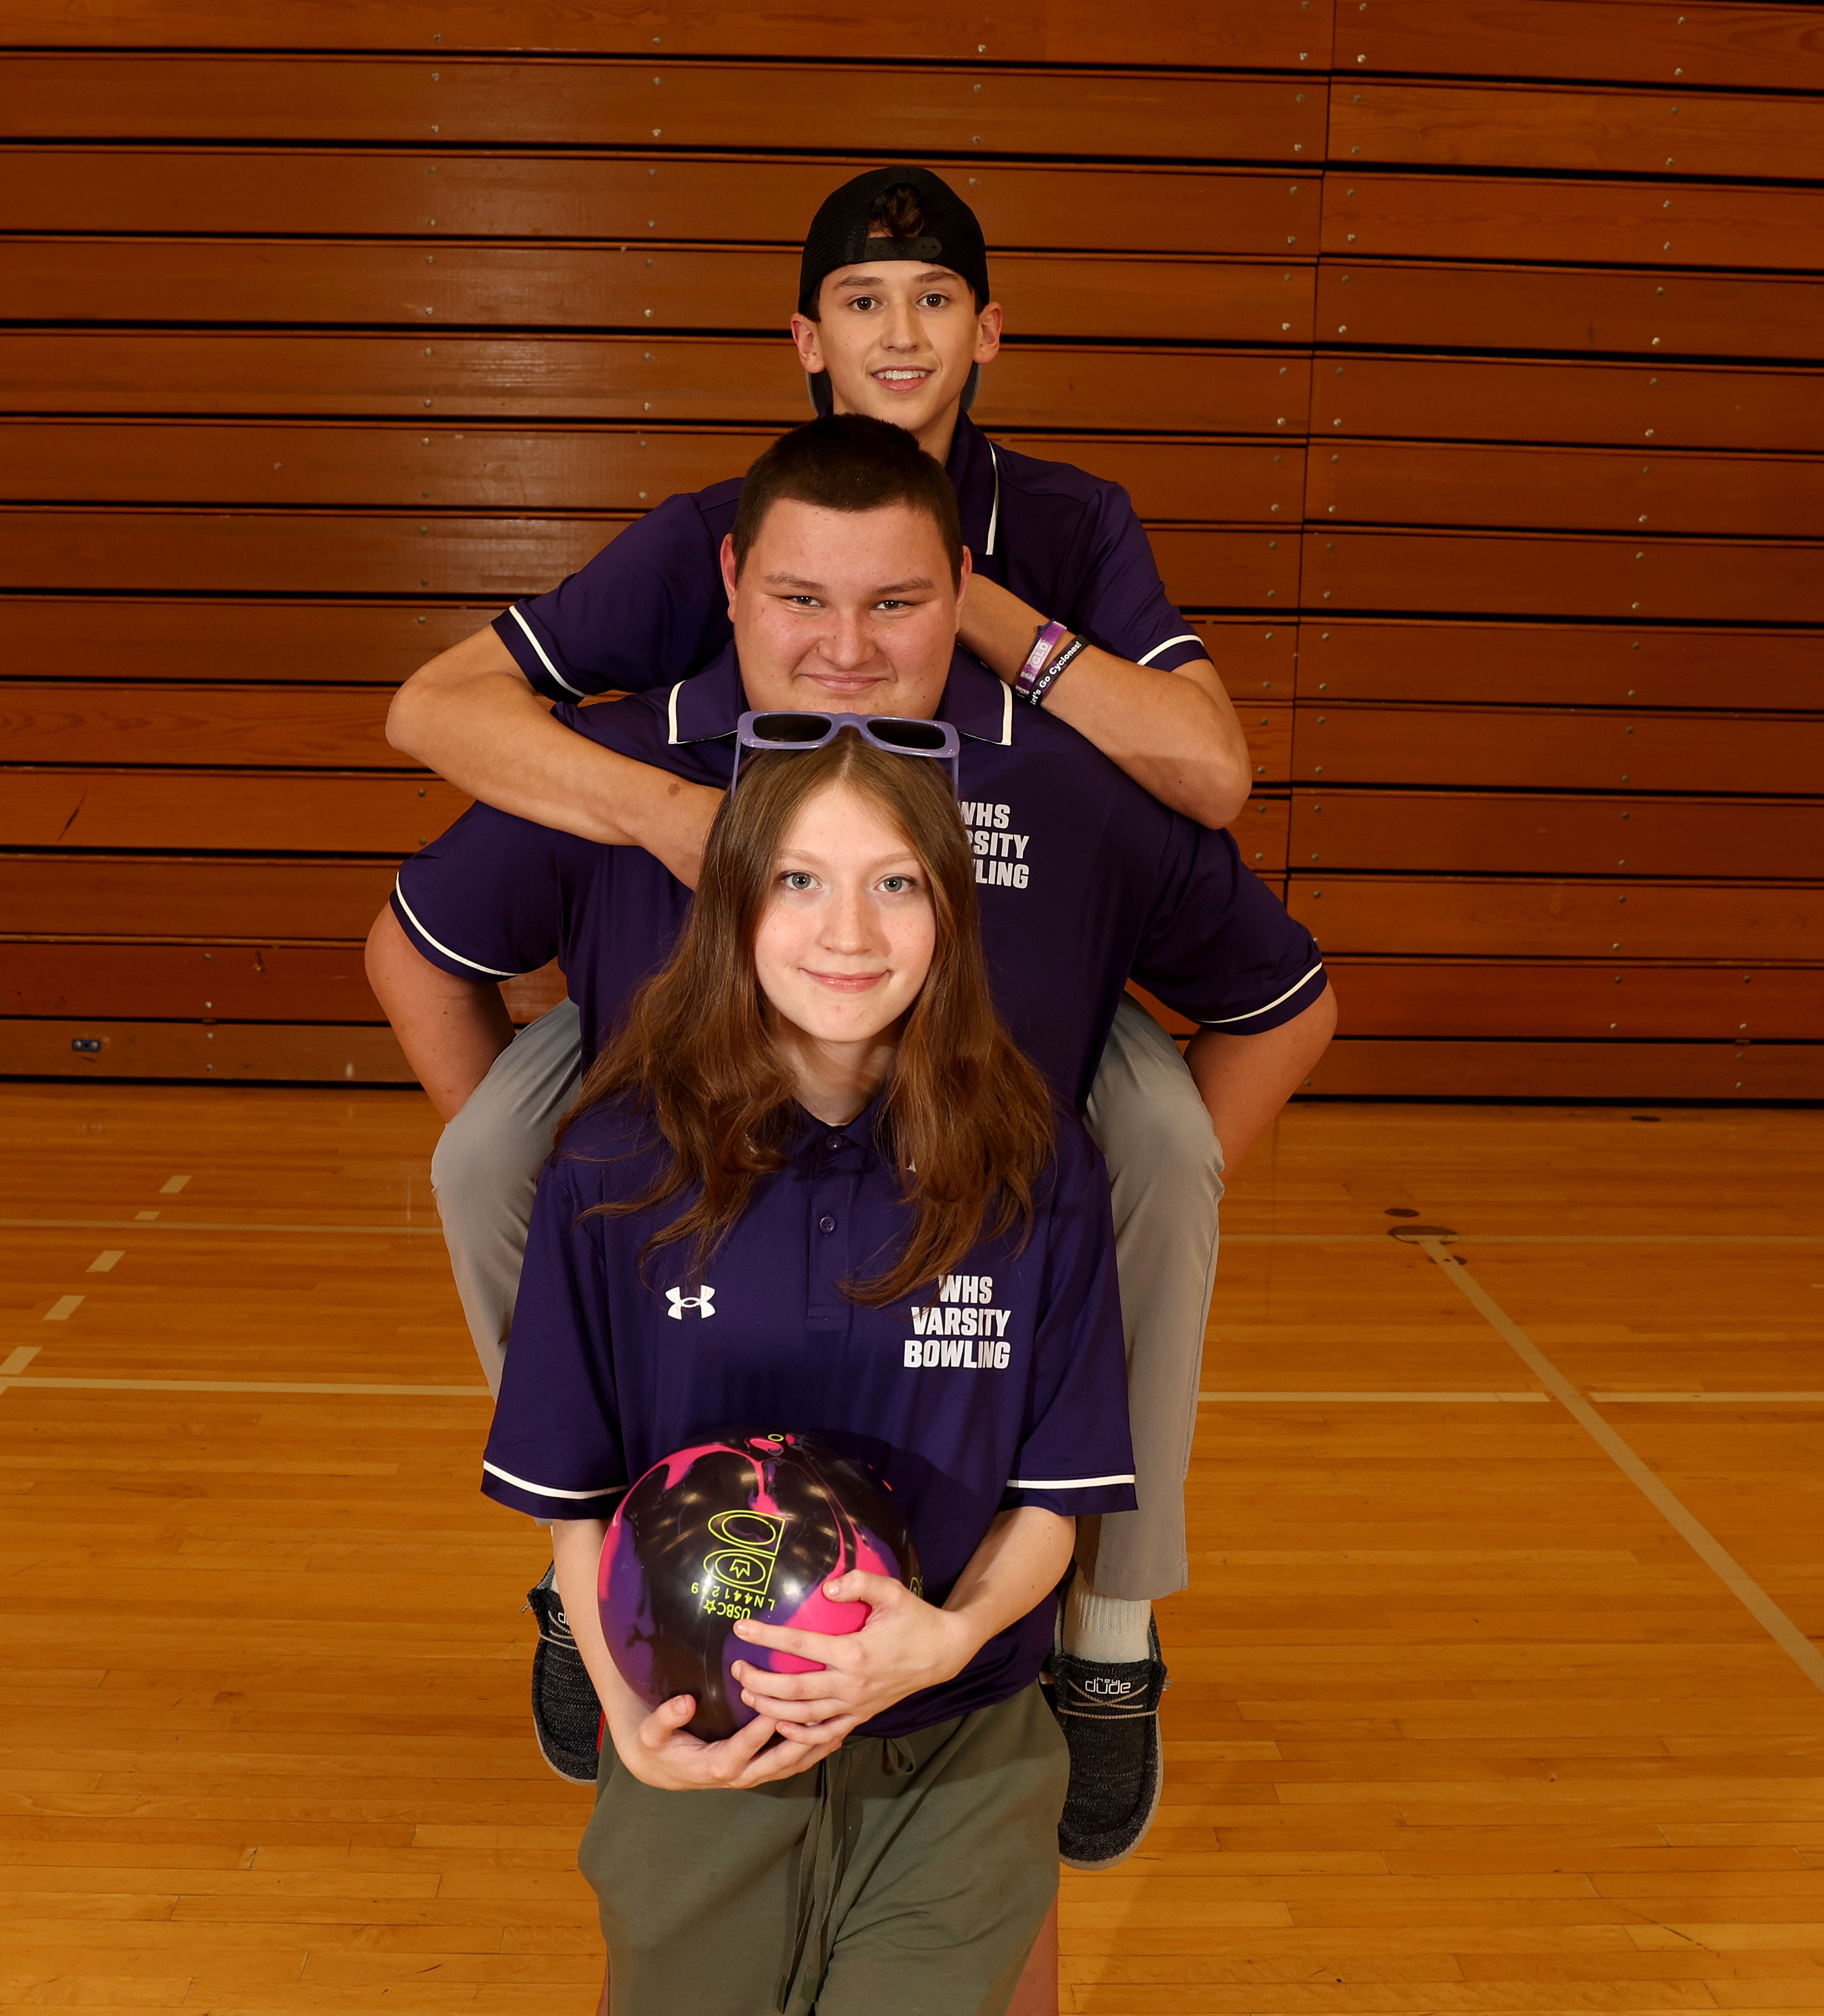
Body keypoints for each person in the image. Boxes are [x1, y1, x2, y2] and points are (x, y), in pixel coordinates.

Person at [370, 414, 1338, 1868]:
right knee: (491, 1160)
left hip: (967, 1178)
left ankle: (1106, 1634)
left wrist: (1073, 1251)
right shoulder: (633, 759)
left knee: (1158, 1152)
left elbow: (1281, 989)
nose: (844, 646)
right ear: (731, 585)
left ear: (960, 591)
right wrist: (605, 1226)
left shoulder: (1060, 776)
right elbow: (415, 935)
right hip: (695, 1160)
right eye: (800, 600)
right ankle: (603, 1557)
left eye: (893, 603)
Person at [481, 725, 1136, 2015]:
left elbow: (1054, 1508)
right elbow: (574, 1508)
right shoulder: (614, 1168)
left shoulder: (1038, 1165)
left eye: (896, 882)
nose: (850, 930)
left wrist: (943, 1642)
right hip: (699, 1748)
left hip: (955, 1748)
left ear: (950, 912)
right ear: (733, 906)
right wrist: (632, 1725)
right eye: (798, 880)